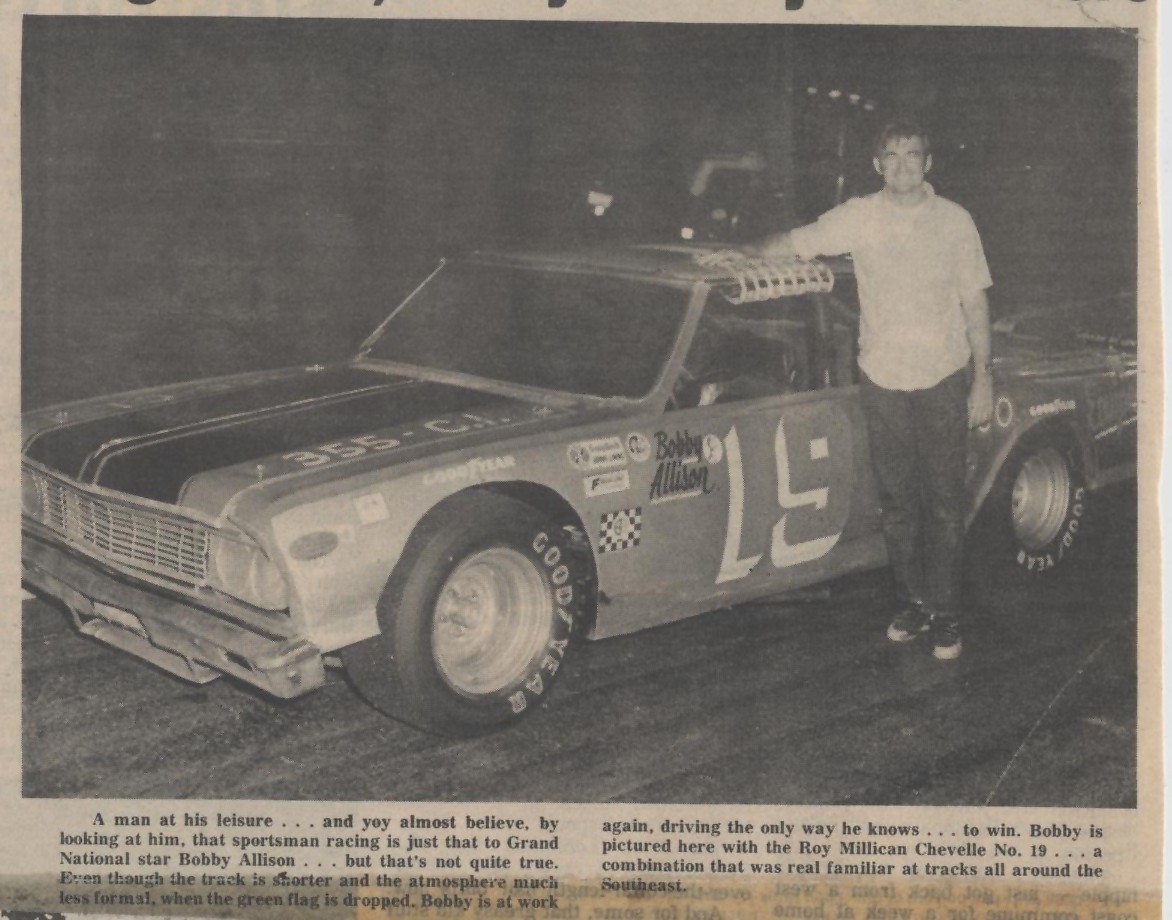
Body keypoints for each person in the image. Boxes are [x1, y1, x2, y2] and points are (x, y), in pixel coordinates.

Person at [756, 119, 993, 660]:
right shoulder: (859, 216)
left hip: (941, 379)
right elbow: (797, 243)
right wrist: (738, 253)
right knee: (897, 503)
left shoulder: (956, 222)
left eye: (914, 155)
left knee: (944, 503)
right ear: (877, 164)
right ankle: (912, 603)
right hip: (883, 379)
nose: (903, 165)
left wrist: (984, 377)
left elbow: (976, 304)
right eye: (892, 155)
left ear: (928, 164)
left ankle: (947, 613)